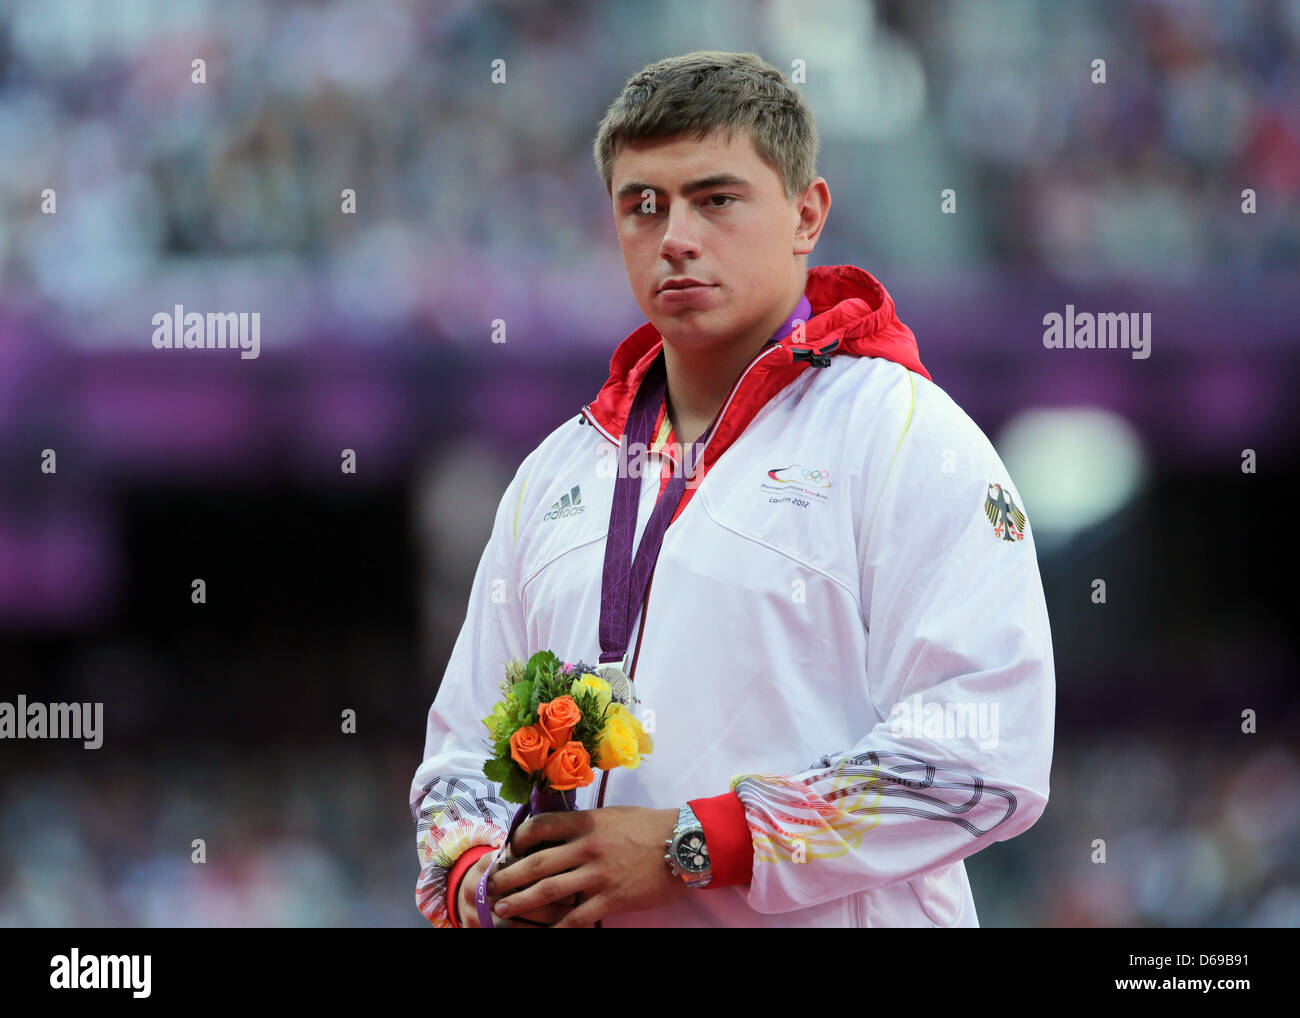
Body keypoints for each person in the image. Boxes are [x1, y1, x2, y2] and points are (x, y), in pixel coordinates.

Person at [409, 50, 1055, 928]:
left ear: (806, 214)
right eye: (644, 205)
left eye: (715, 199)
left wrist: (695, 843)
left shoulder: (905, 436)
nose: (675, 234)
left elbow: (988, 754)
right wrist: (485, 882)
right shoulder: (556, 474)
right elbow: (457, 758)